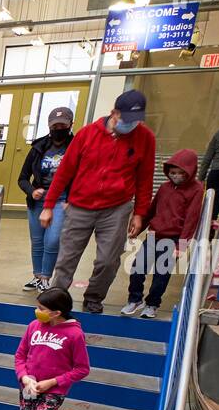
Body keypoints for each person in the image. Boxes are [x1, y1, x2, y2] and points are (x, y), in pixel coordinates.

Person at [42, 90, 156, 315]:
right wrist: (48, 205)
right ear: (114, 113)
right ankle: (55, 301)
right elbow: (64, 172)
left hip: (117, 208)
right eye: (127, 120)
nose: (132, 125)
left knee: (108, 261)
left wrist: (140, 213)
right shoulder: (87, 134)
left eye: (137, 120)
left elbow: (145, 179)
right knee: (67, 258)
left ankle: (93, 298)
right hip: (79, 206)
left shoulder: (145, 138)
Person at [12, 287, 90, 410]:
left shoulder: (74, 335)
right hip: (29, 387)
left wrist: (53, 381)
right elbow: (20, 356)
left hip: (53, 391)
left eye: (41, 308)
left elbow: (82, 369)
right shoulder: (33, 326)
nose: (37, 311)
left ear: (56, 312)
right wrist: (24, 377)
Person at [122, 149, 203, 319]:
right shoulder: (164, 187)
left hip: (173, 240)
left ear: (189, 171)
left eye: (180, 173)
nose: (175, 176)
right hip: (153, 235)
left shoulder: (196, 190)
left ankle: (152, 304)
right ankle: (134, 299)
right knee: (138, 269)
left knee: (161, 276)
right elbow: (152, 210)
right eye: (172, 172)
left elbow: (191, 219)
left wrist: (181, 245)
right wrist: (139, 228)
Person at [17, 106, 75, 292]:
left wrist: (71, 200)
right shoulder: (38, 147)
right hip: (37, 202)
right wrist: (32, 191)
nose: (58, 128)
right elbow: (22, 178)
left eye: (62, 125)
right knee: (38, 241)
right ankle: (37, 276)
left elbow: (82, 177)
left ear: (70, 125)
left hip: (61, 200)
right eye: (55, 125)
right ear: (49, 126)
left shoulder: (76, 147)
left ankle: (46, 277)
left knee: (53, 240)